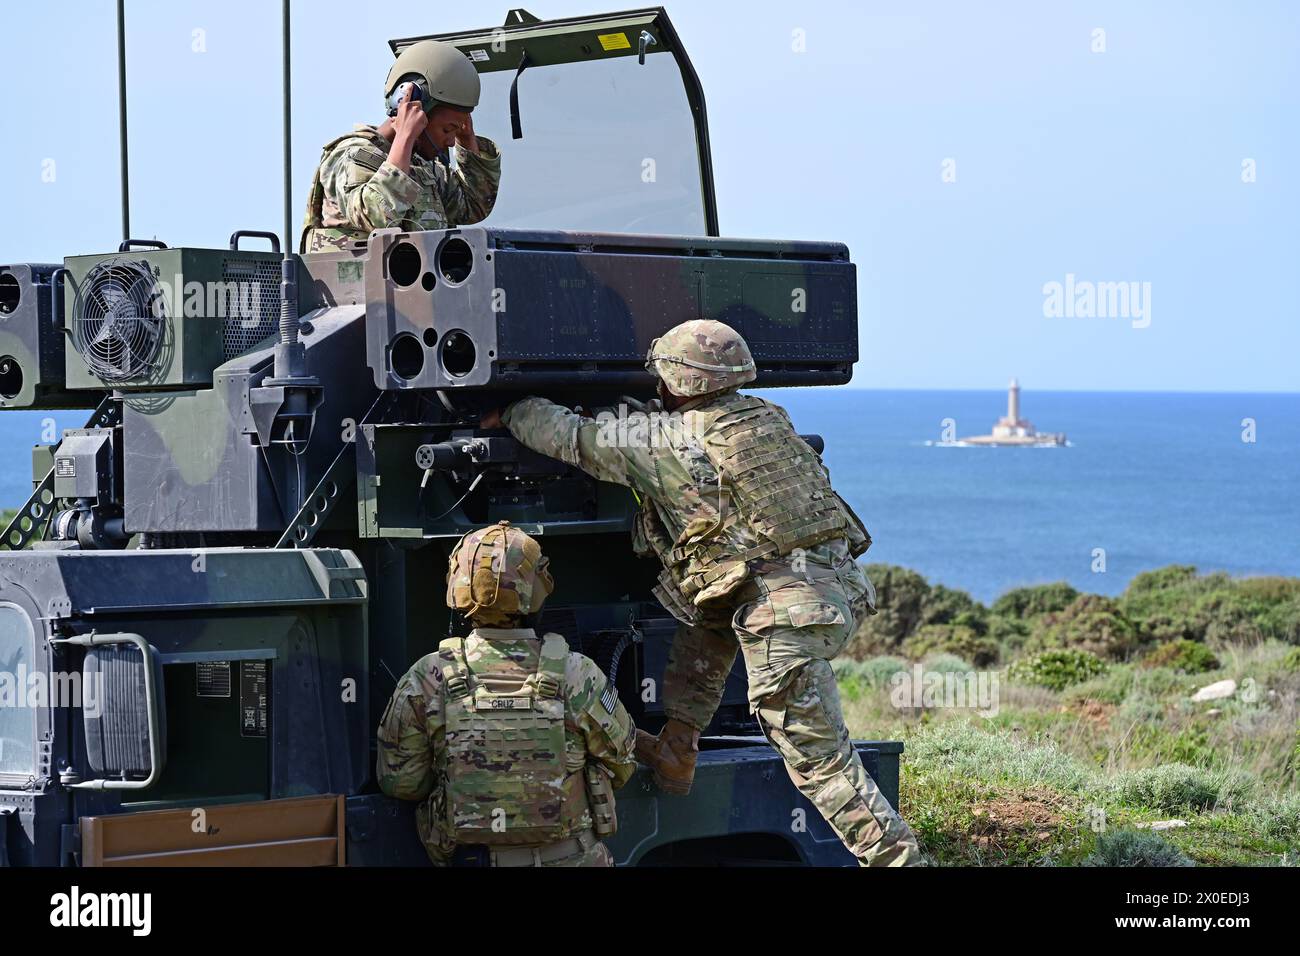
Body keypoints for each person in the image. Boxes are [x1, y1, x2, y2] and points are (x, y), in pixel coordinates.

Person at [481, 320, 921, 866]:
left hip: (785, 615)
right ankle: (677, 747)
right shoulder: (765, 420)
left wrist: (512, 411)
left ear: (677, 380)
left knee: (821, 763)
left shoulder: (662, 441)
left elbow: (572, 438)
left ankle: (899, 860)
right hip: (830, 590)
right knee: (706, 611)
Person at [376, 520, 636, 867]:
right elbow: (622, 765)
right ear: (539, 589)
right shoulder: (576, 674)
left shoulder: (428, 677)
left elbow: (400, 782)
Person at [301, 39, 501, 253]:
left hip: (420, 287)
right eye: (447, 130)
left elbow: (472, 207)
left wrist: (467, 140)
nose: (451, 142)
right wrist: (405, 136)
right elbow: (376, 216)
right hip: (356, 286)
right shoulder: (351, 155)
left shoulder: (425, 169)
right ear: (409, 104)